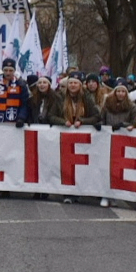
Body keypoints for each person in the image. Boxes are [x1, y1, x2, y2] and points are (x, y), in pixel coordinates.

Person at [48, 71, 100, 204]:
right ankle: (67, 193)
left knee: (80, 166)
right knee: (65, 165)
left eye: (75, 83)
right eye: (70, 82)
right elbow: (51, 116)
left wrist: (82, 121)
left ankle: (79, 191)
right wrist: (63, 122)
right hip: (64, 136)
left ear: (80, 85)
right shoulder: (60, 98)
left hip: (81, 137)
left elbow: (96, 116)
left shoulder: (87, 98)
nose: (72, 85)